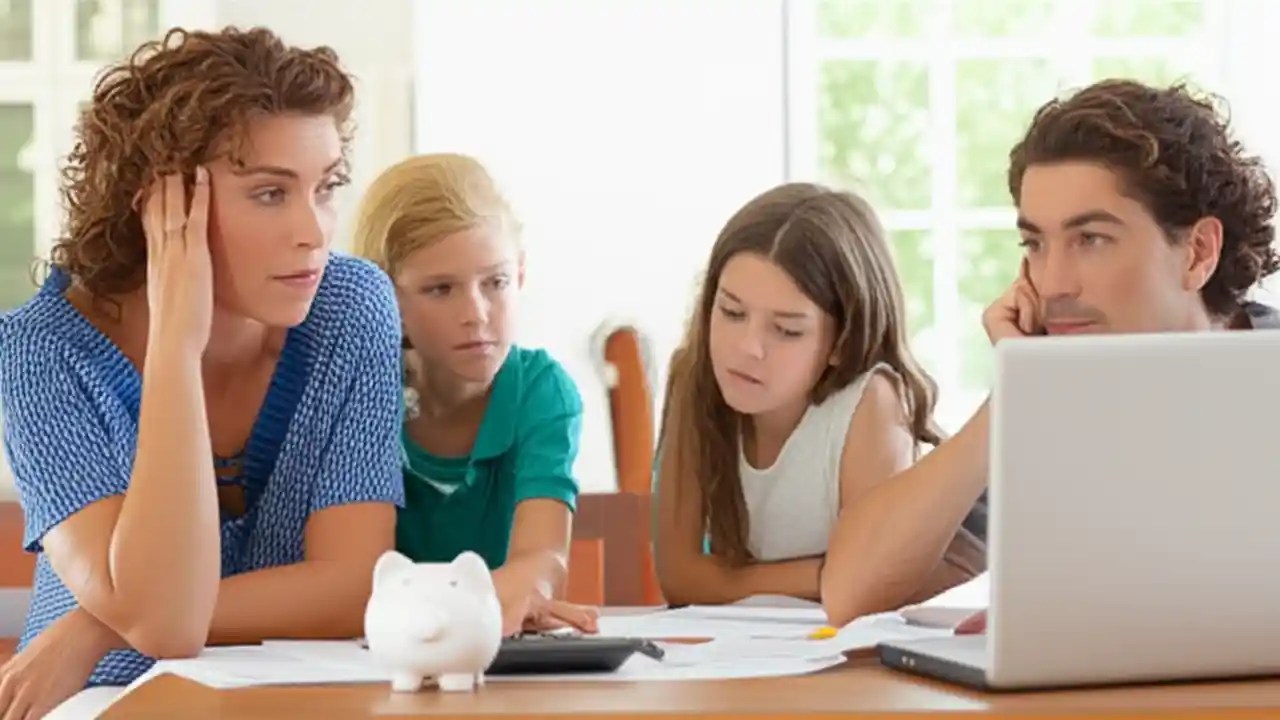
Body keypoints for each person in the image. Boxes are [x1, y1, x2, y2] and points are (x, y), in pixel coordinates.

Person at [0, 26, 405, 716]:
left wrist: (94, 624)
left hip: (299, 692)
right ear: (160, 203)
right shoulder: (40, 351)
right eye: (271, 194)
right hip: (108, 698)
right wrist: (175, 352)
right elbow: (165, 625)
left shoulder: (351, 306)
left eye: (327, 186)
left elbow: (355, 585)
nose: (315, 230)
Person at [833, 78, 1280, 631]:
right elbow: (853, 592)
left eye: (1090, 239)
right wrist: (1016, 389)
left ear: (1198, 252)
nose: (1052, 284)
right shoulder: (1052, 393)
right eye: (1035, 245)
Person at [652, 182, 986, 612]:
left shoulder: (872, 402)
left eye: (787, 330)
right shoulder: (692, 378)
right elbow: (681, 578)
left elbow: (869, 592)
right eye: (732, 312)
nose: (747, 347)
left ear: (841, 343)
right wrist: (824, 574)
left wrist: (735, 580)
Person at [352, 153, 597, 637]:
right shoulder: (361, 389)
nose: (477, 313)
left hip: (493, 658)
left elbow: (542, 559)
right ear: (388, 298)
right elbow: (353, 578)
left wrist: (519, 593)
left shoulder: (541, 391)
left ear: (520, 275)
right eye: (442, 289)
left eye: (496, 282)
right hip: (376, 657)